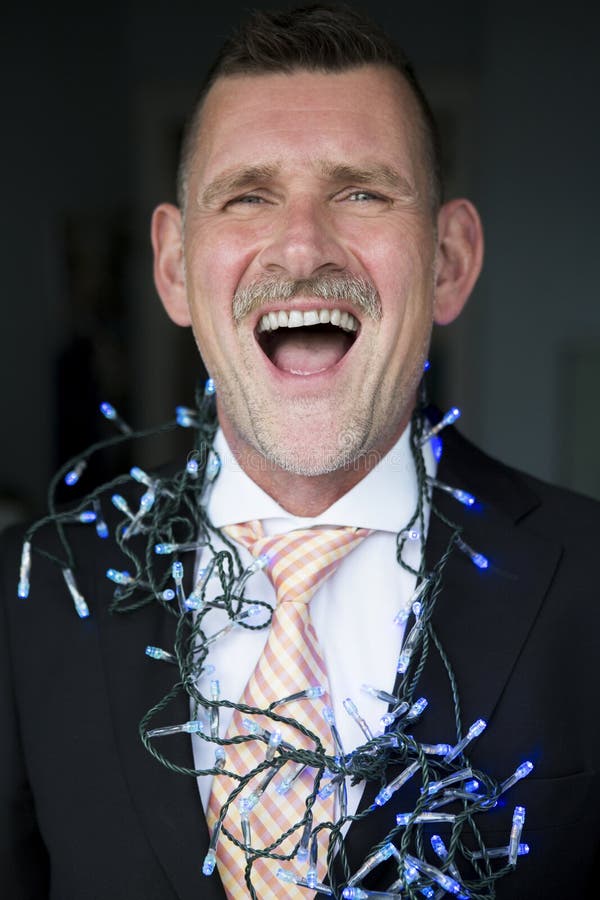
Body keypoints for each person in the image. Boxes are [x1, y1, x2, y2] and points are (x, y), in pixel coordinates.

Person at [1, 6, 598, 899]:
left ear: (449, 260)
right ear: (172, 265)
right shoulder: (35, 588)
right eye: (247, 194)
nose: (303, 246)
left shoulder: (591, 578)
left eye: (362, 192)